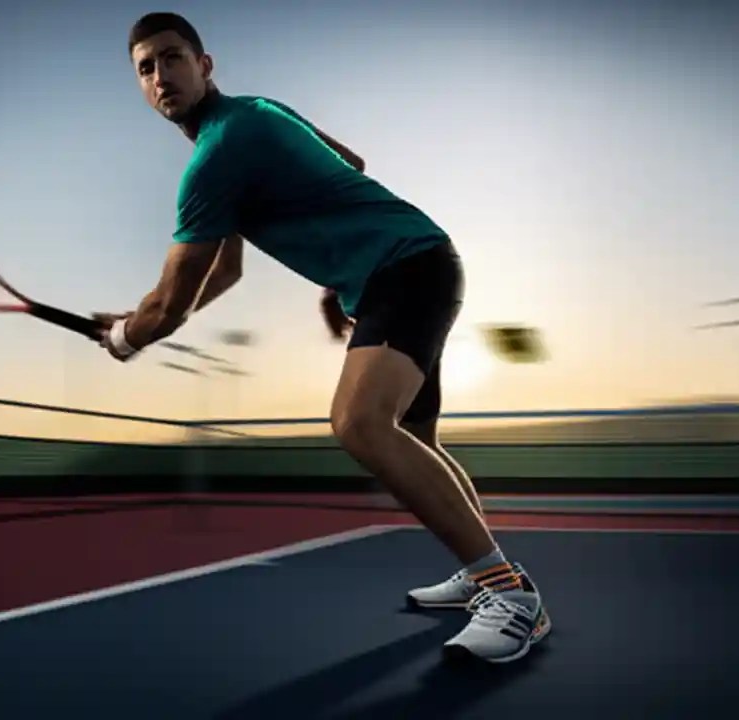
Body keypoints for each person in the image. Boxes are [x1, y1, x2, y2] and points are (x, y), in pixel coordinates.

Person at [94, 12, 550, 664]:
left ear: (204, 65)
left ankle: (513, 596)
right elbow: (222, 270)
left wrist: (126, 338)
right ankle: (479, 569)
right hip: (411, 264)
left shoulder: (218, 155)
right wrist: (336, 280)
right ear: (140, 84)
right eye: (146, 67)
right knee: (414, 441)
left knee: (359, 424)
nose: (161, 75)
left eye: (172, 58)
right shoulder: (255, 115)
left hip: (407, 268)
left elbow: (170, 303)